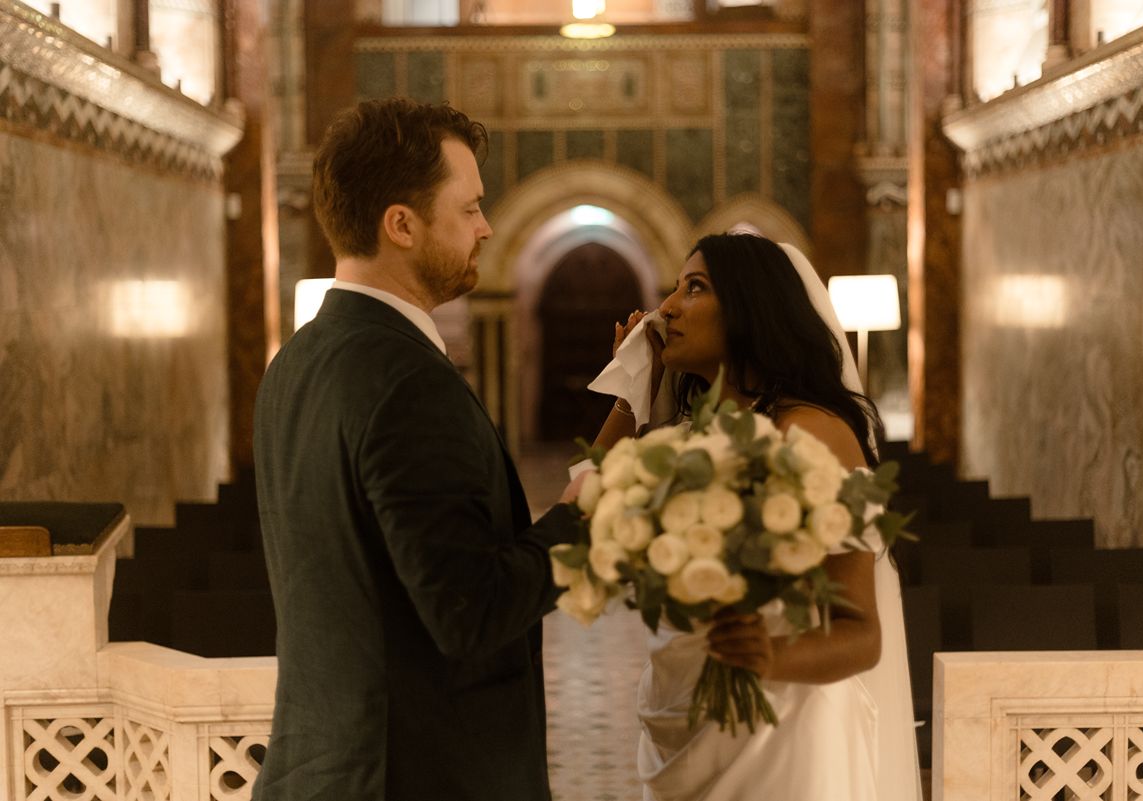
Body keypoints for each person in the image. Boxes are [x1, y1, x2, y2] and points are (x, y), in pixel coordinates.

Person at [252, 98, 585, 801]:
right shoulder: (407, 381)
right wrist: (579, 523)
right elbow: (469, 611)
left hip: (320, 769)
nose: (486, 227)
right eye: (468, 209)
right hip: (417, 774)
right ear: (400, 224)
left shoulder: (296, 361)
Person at [593, 233, 922, 801]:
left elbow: (862, 636)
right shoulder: (690, 433)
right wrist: (632, 393)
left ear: (751, 309)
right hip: (688, 703)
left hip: (785, 723)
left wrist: (769, 654)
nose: (666, 307)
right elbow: (591, 511)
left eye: (694, 288)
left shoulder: (811, 432)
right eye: (674, 288)